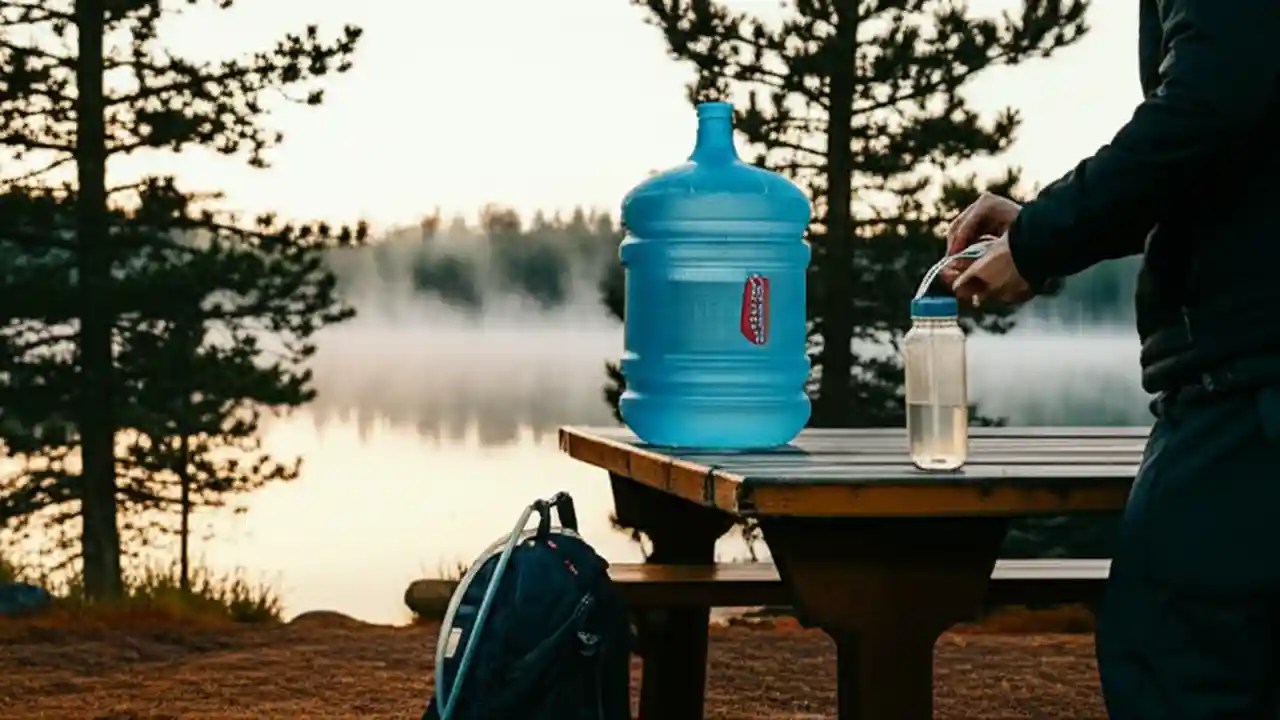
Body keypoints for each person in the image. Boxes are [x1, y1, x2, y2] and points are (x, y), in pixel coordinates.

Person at [943, 1, 1280, 717]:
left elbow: (1210, 106)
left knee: (1179, 670)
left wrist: (1039, 243)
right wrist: (1041, 227)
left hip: (1249, 394)